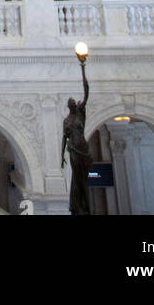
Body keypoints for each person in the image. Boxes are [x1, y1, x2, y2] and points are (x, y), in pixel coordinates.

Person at [60, 64, 92, 216]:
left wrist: (83, 67)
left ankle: (84, 207)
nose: (73, 103)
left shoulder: (80, 114)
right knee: (77, 179)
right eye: (70, 103)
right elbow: (63, 139)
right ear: (68, 106)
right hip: (73, 149)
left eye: (73, 102)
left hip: (83, 149)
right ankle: (78, 207)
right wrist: (61, 157)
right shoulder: (66, 121)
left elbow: (86, 92)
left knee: (83, 179)